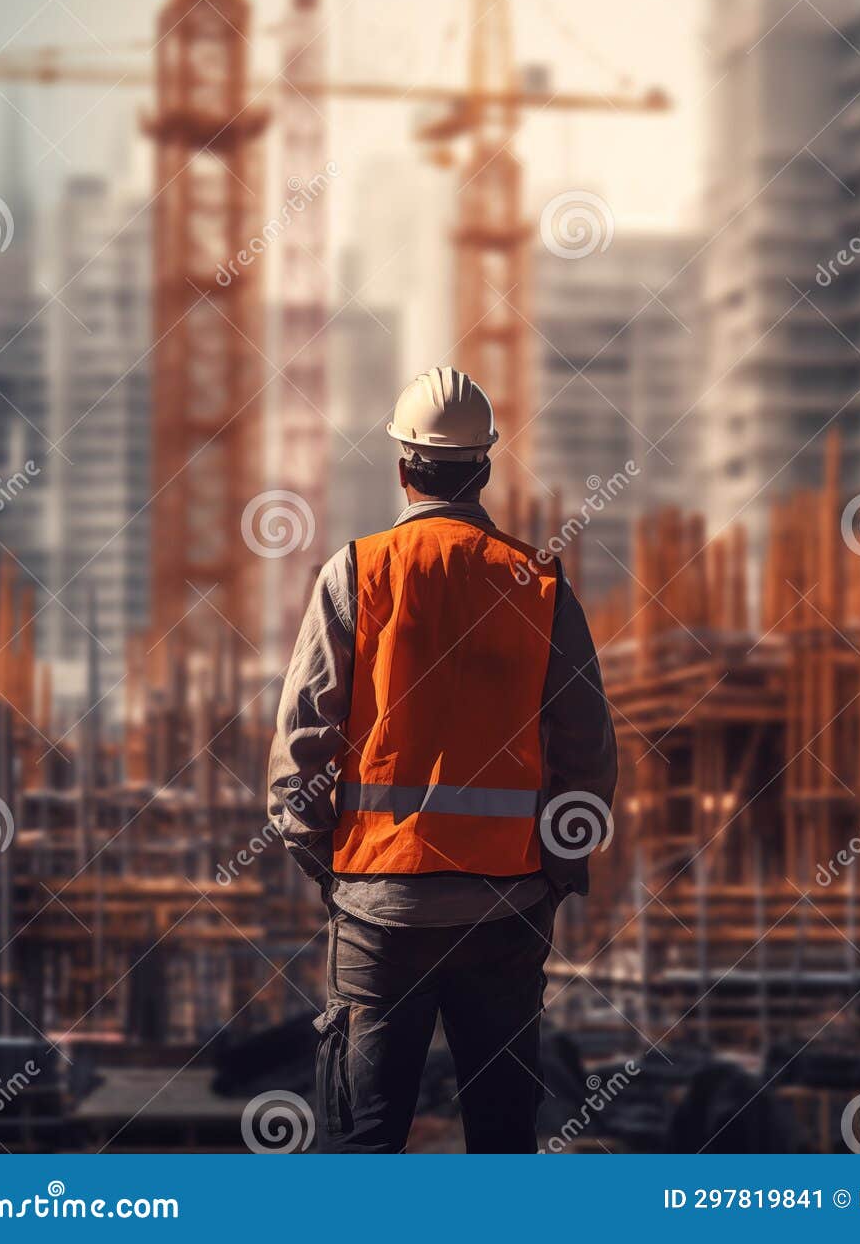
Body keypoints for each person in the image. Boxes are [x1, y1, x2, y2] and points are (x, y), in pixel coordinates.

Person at [267, 365, 617, 1154]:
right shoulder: (538, 583)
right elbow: (588, 755)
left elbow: (300, 756)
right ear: (484, 467)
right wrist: (554, 875)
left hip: (379, 907)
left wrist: (335, 871)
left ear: (402, 465)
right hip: (505, 908)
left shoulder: (357, 572)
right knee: (501, 1140)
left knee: (365, 1145)